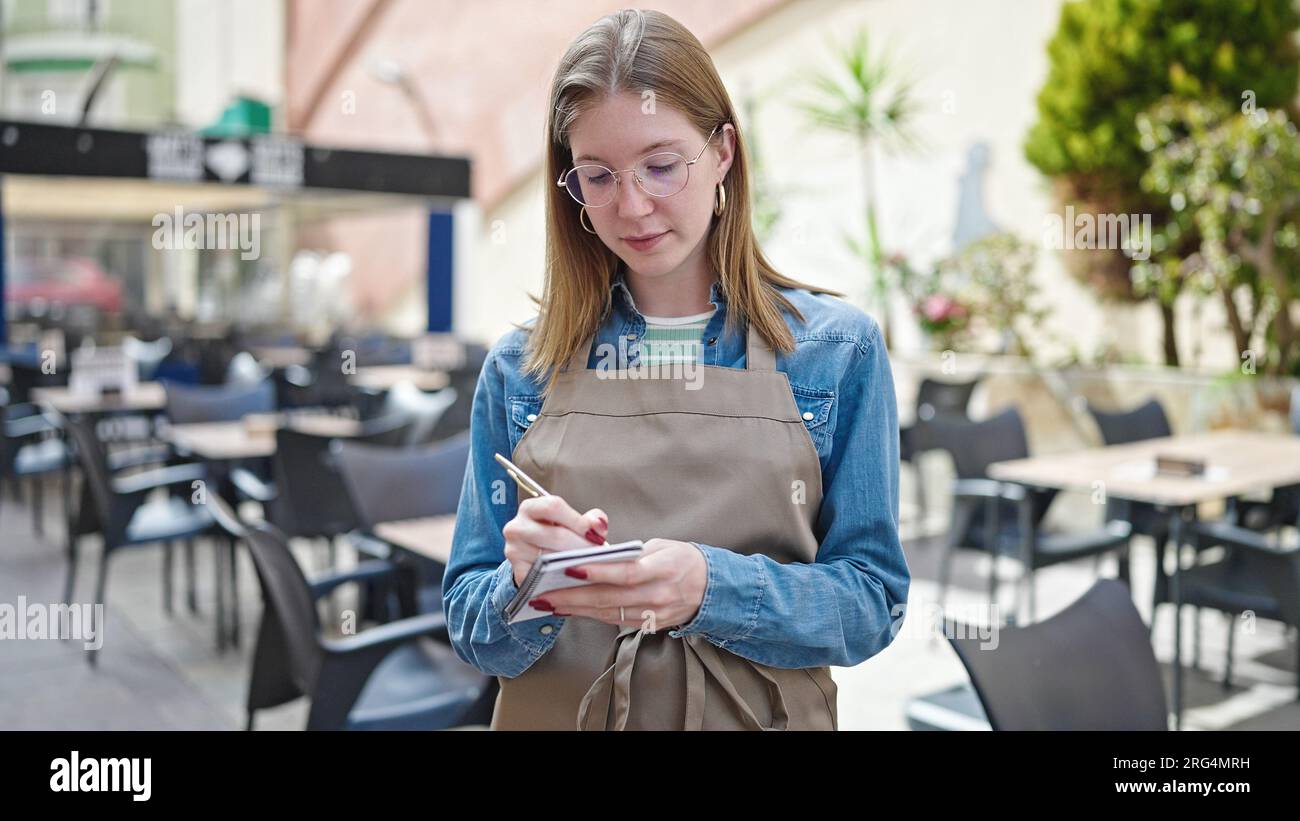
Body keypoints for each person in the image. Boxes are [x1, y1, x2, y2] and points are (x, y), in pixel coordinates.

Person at [443, 8, 909, 730]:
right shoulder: (519, 369)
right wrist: (525, 587)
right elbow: (469, 621)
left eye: (661, 165)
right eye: (597, 176)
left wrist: (709, 589)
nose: (632, 206)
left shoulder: (836, 353)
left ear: (723, 151)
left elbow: (873, 602)